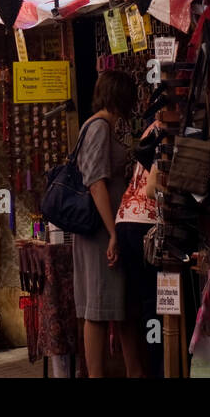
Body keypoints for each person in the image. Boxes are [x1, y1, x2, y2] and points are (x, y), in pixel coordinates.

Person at [73, 69, 140, 378]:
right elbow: (96, 182)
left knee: (120, 304)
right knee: (98, 309)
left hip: (109, 228)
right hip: (101, 231)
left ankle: (135, 371)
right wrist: (113, 233)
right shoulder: (99, 127)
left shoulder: (103, 126)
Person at [114, 119, 166, 377]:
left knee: (146, 303)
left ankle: (150, 366)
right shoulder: (165, 132)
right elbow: (153, 188)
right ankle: (158, 367)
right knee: (154, 304)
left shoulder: (151, 128)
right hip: (145, 225)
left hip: (126, 221)